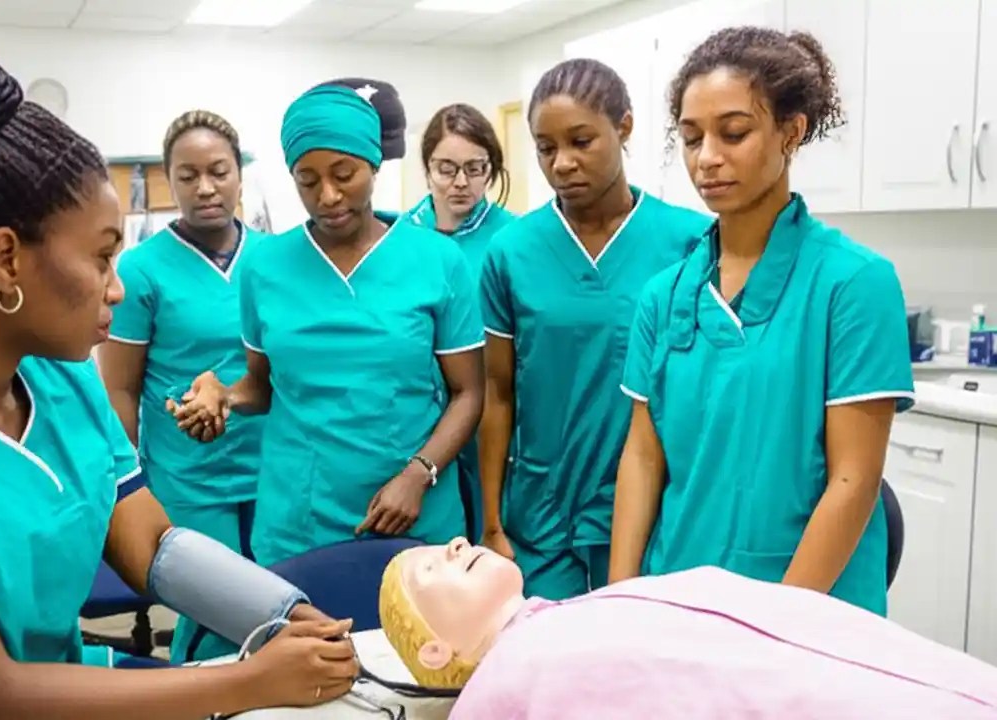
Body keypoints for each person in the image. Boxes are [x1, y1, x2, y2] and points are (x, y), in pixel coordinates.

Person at [0, 44, 358, 719]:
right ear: (6, 259)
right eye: (103, 255)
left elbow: (151, 546)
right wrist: (250, 680)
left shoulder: (60, 377)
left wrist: (283, 613)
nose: (119, 285)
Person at [610, 27, 915, 616]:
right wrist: (621, 600)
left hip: (808, 609)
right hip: (677, 592)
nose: (707, 159)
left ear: (791, 132)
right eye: (692, 138)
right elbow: (643, 457)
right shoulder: (664, 295)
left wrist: (772, 628)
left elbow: (853, 482)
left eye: (734, 133)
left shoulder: (852, 284)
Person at [171, 84, 485, 568]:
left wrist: (418, 474)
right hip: (302, 517)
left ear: (375, 165)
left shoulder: (437, 259)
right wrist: (223, 394)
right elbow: (262, 386)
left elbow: (468, 393)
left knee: (428, 641)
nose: (329, 195)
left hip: (414, 510)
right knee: (314, 639)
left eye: (345, 174)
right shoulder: (267, 266)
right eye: (307, 180)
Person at [477, 59, 709, 600]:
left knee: (641, 661)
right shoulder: (511, 252)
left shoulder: (691, 242)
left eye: (582, 141)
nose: (562, 163)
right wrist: (491, 519)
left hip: (653, 499)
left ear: (623, 128)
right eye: (545, 148)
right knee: (547, 657)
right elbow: (498, 392)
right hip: (541, 505)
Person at [377, 539, 997, 718]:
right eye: (431, 568)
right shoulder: (512, 681)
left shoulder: (582, 610)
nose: (455, 542)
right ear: (437, 650)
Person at [99, 109, 266, 663]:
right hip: (189, 477)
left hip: (274, 469)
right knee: (211, 620)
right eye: (187, 175)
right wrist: (123, 489)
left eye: (218, 170)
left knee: (277, 605)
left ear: (240, 173)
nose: (205, 187)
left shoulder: (275, 258)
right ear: (169, 180)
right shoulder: (142, 270)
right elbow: (120, 389)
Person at [405, 103, 516, 543]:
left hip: (492, 416)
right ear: (427, 168)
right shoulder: (399, 237)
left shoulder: (511, 238)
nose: (460, 182)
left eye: (475, 168)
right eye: (446, 168)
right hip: (419, 423)